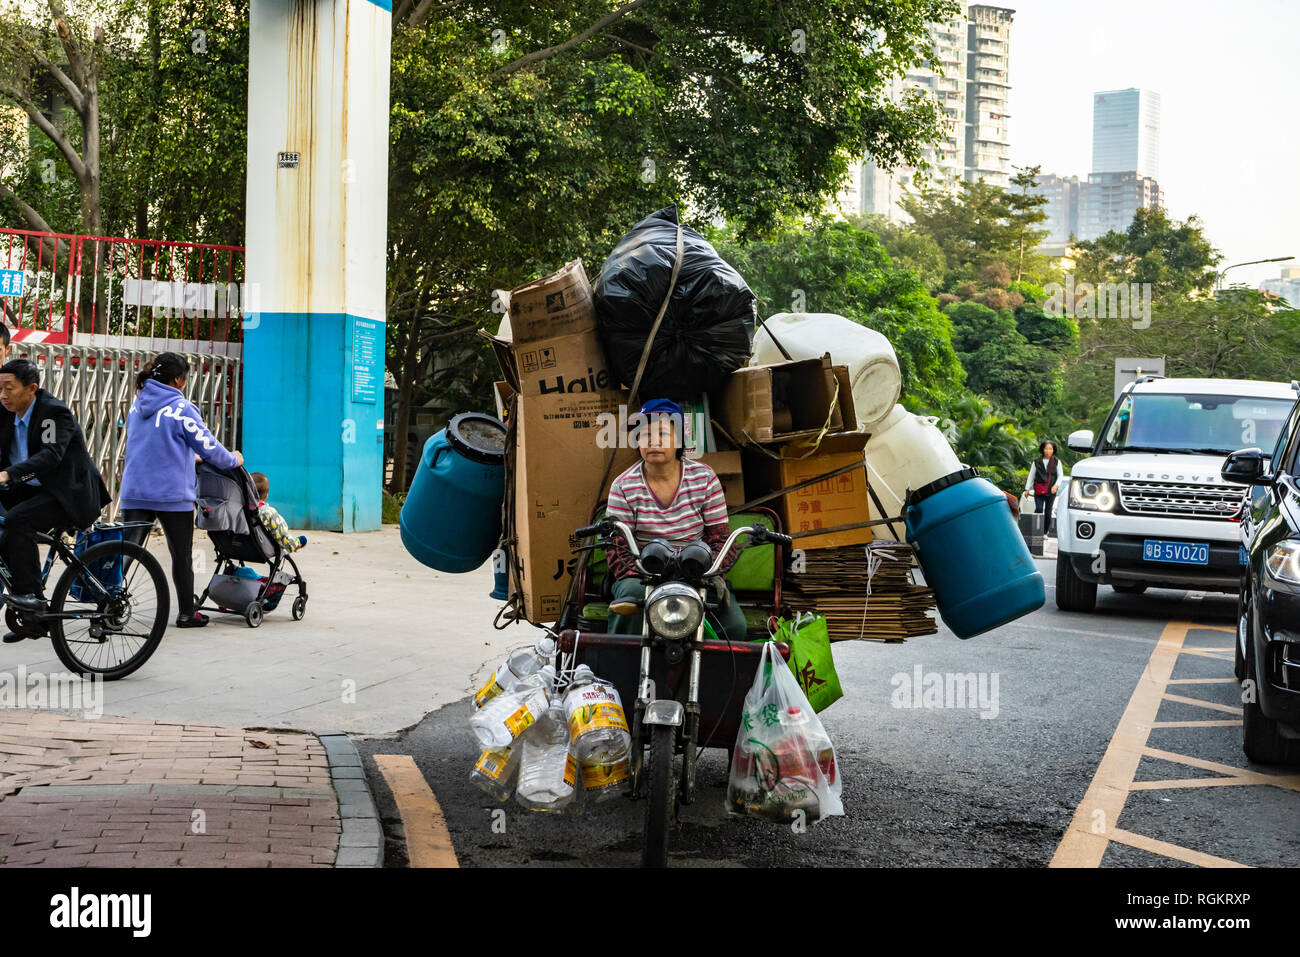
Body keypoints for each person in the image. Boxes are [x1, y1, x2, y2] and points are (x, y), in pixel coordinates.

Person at [604, 398, 746, 641]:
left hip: (696, 570)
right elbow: (616, 546)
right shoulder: (623, 485)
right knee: (629, 605)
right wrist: (640, 574)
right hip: (642, 574)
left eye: (662, 433)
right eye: (644, 434)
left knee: (734, 625)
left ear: (679, 440)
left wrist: (708, 572)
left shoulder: (704, 478)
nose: (653, 441)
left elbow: (721, 537)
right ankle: (624, 672)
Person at [119, 352, 243, 628]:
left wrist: (187, 457)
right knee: (181, 555)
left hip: (135, 490)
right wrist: (235, 458)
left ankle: (108, 603)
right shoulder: (181, 408)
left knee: (127, 551)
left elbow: (154, 443)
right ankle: (188, 613)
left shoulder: (136, 406)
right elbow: (209, 447)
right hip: (170, 495)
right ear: (178, 380)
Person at [0, 358, 111, 642]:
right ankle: (29, 617)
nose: (3, 395)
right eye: (0, 388)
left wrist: (8, 475)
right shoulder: (5, 412)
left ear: (31, 389)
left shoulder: (51, 413)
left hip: (66, 494)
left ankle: (32, 600)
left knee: (17, 521)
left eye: (9, 388)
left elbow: (50, 455)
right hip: (28, 488)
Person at [250, 472, 307, 554]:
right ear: (266, 496)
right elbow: (280, 534)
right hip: (262, 547)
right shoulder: (268, 512)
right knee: (278, 527)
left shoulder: (240, 509)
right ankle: (293, 544)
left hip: (243, 546)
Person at [1025, 440, 1064, 536]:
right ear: (1042, 449)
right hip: (1039, 490)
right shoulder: (1036, 462)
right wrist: (1027, 489)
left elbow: (1060, 475)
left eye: (1050, 449)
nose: (1048, 451)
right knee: (1038, 509)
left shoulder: (1057, 462)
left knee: (1048, 511)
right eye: (1046, 448)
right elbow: (1031, 475)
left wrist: (1056, 485)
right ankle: (1035, 530)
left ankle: (1045, 532)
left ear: (1053, 450)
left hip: (1051, 491)